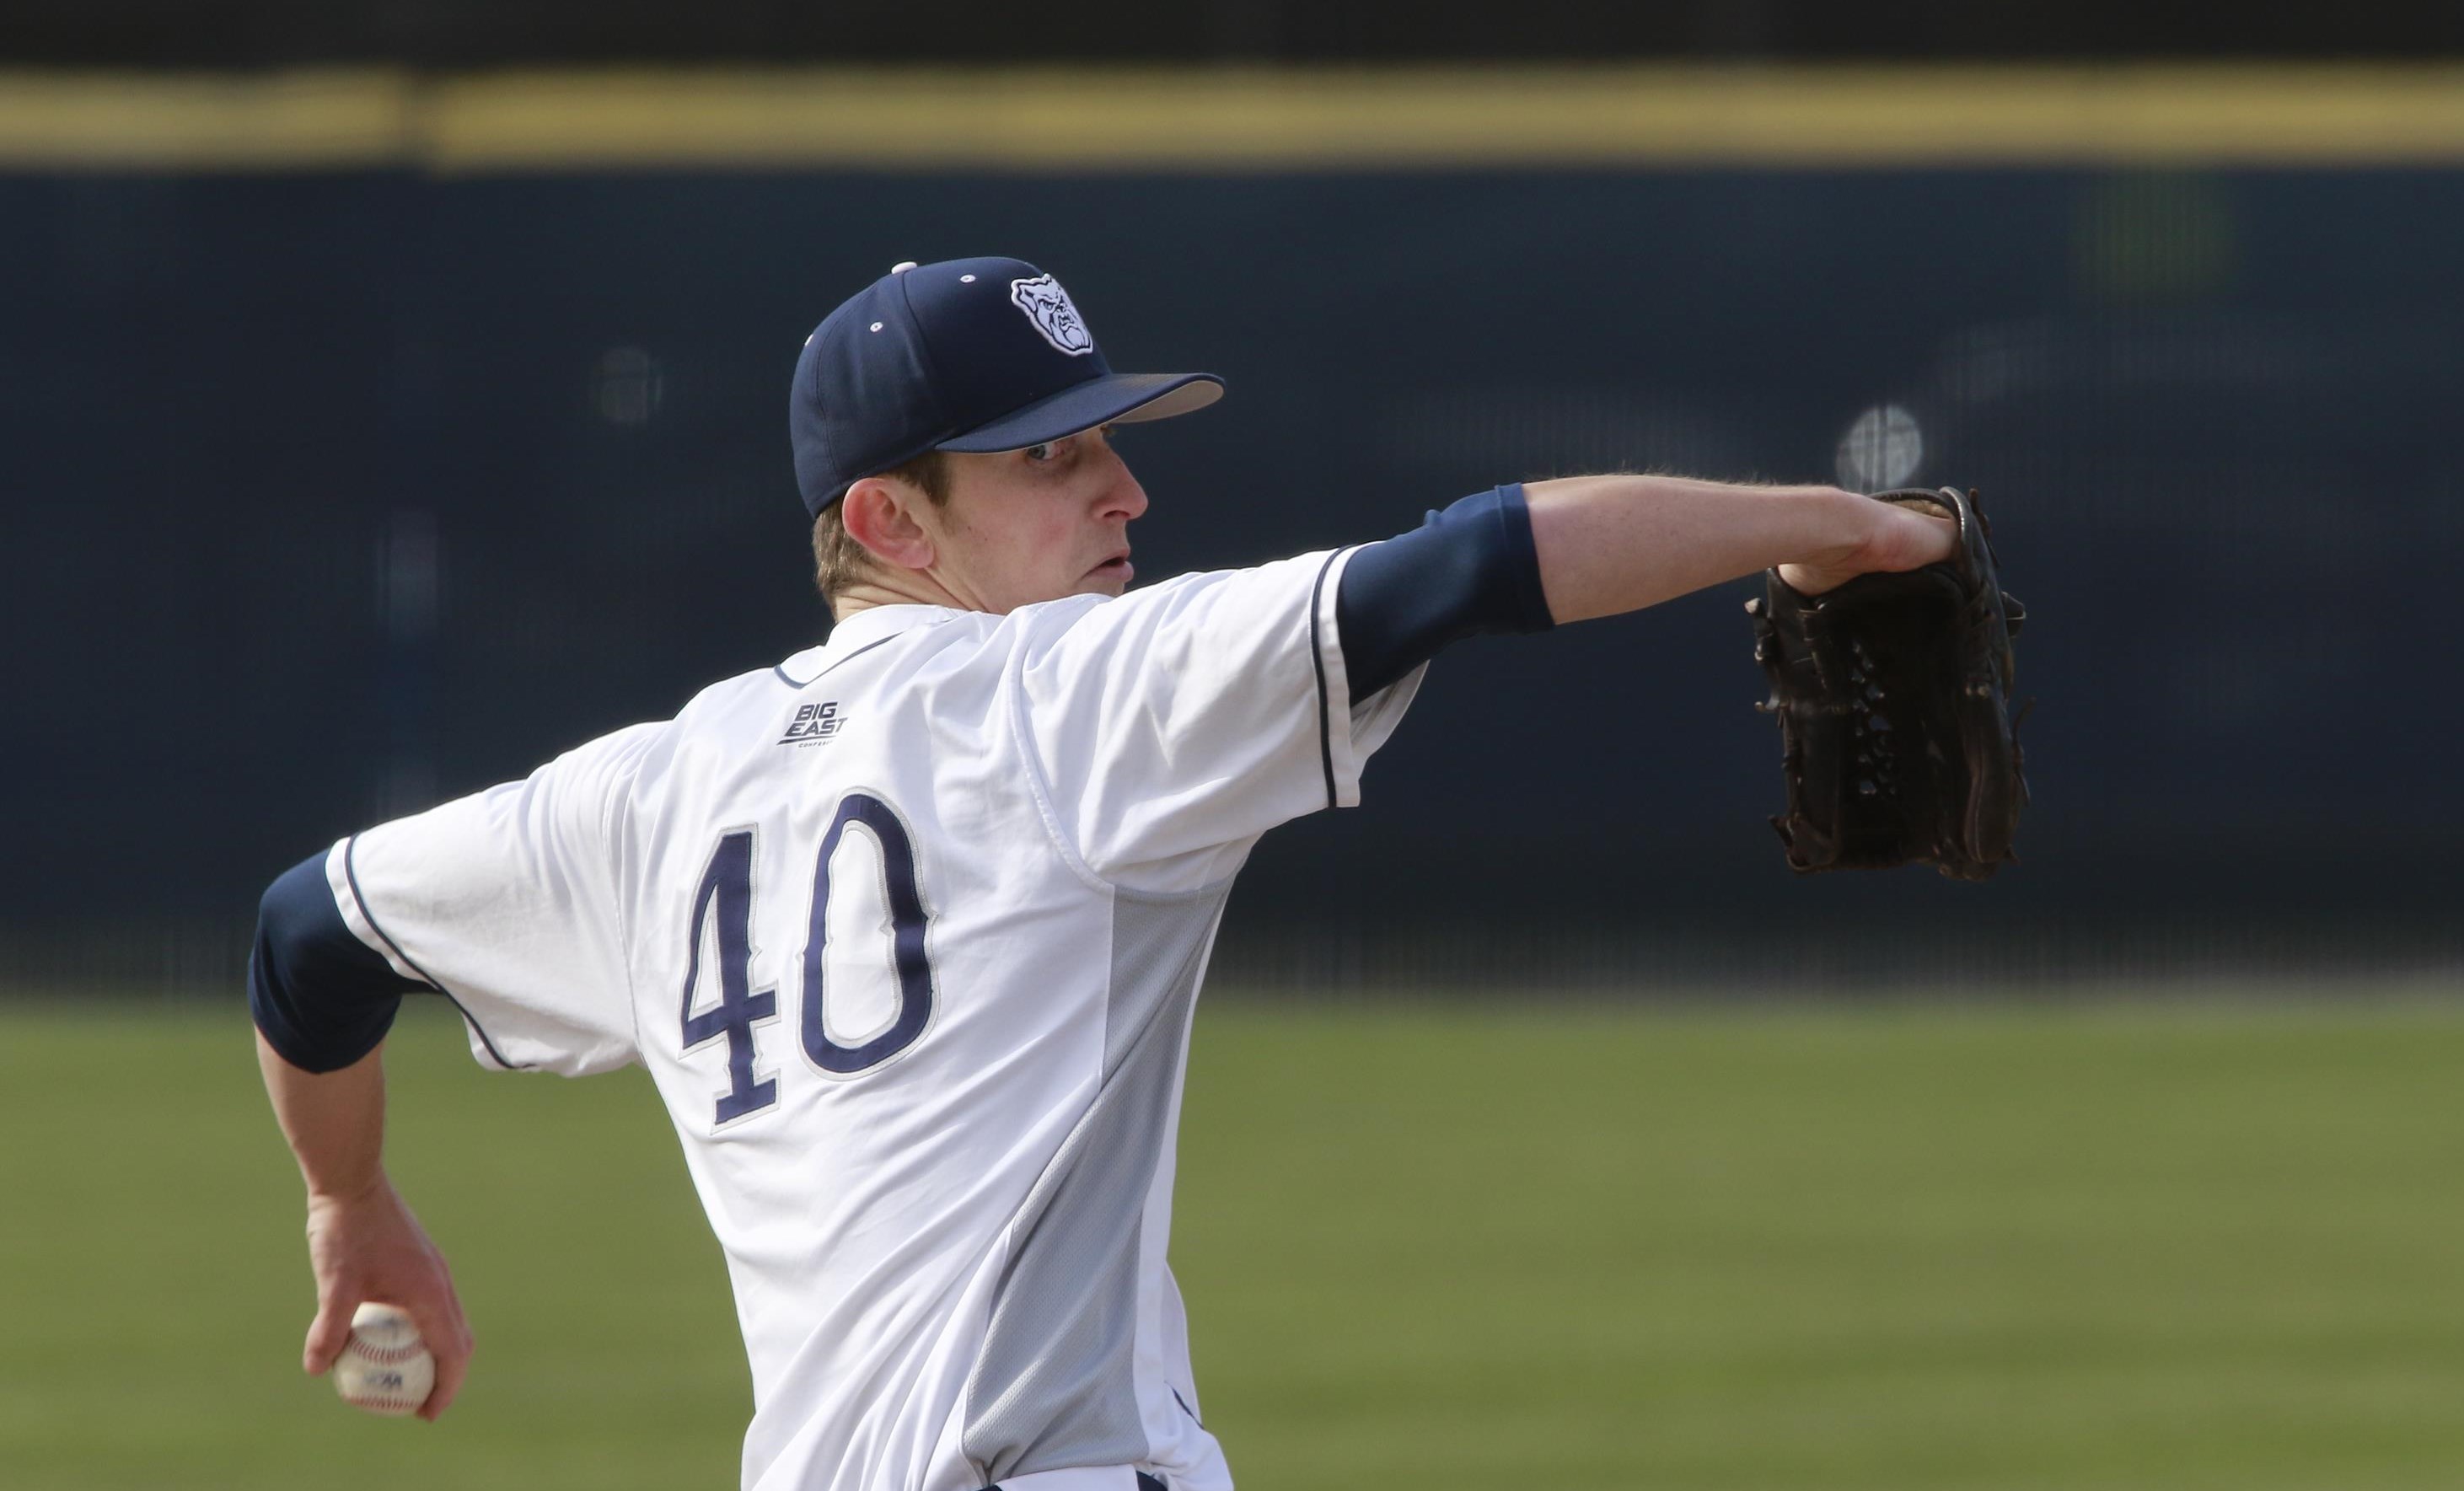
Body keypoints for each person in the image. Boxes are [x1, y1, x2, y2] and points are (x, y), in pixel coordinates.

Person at [247, 256, 1957, 1491]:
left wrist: (350, 1200)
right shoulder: (1059, 694)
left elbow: (309, 930)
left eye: (1107, 439)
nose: (1123, 486)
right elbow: (1466, 566)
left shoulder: (644, 795)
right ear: (892, 521)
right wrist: (1843, 524)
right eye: (1049, 456)